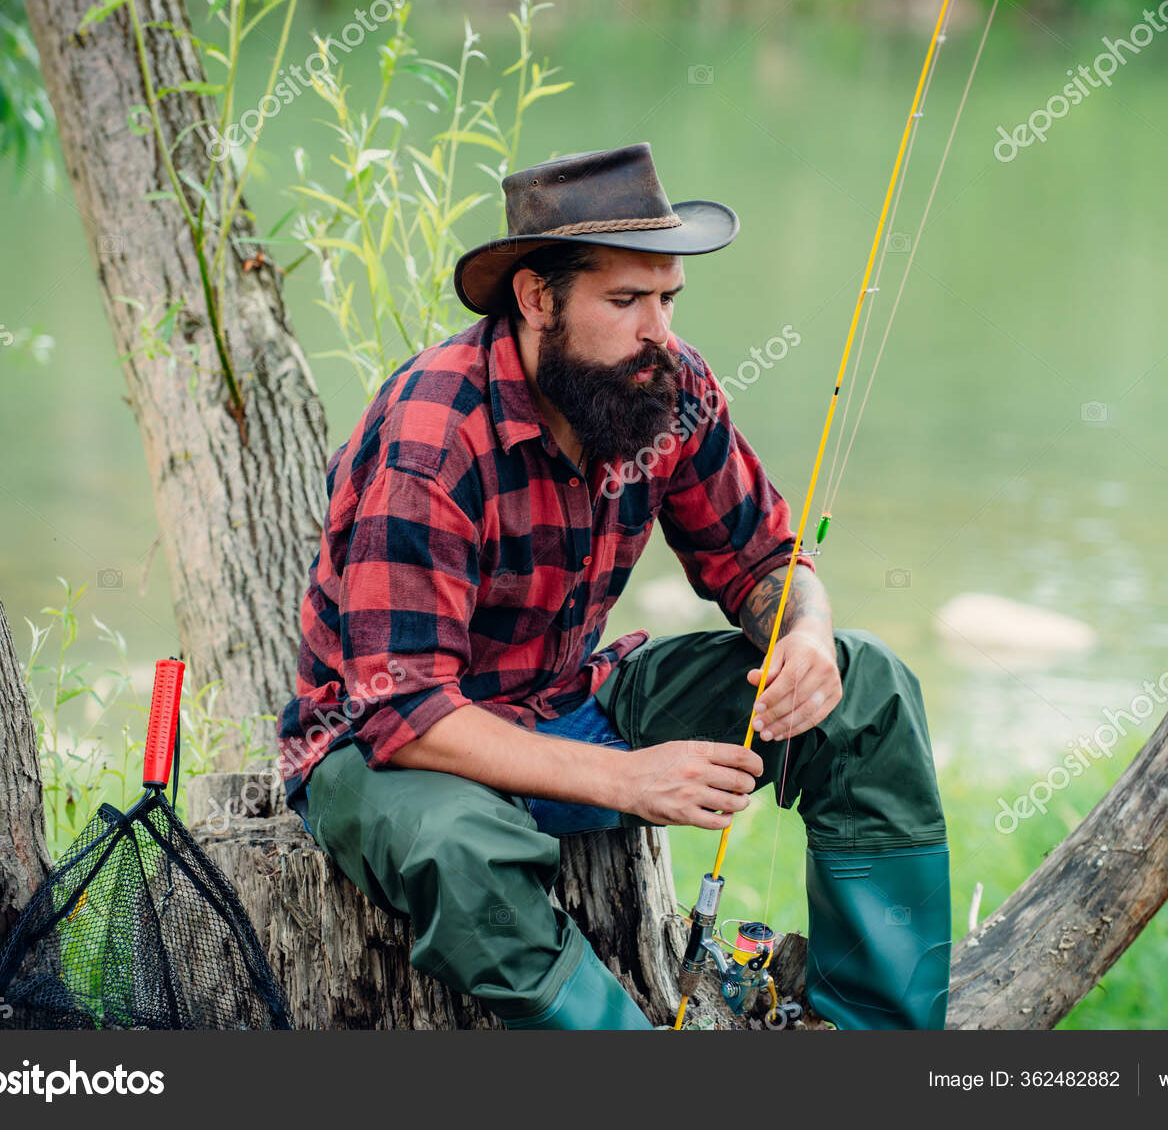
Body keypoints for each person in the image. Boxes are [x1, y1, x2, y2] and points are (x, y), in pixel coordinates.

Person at [274, 142, 949, 1030]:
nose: (658, 330)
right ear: (536, 299)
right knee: (461, 846)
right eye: (626, 301)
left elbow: (764, 561)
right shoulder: (431, 436)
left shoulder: (663, 383)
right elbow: (404, 711)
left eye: (667, 298)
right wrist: (629, 780)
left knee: (869, 690)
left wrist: (808, 634)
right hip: (387, 750)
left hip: (567, 701)